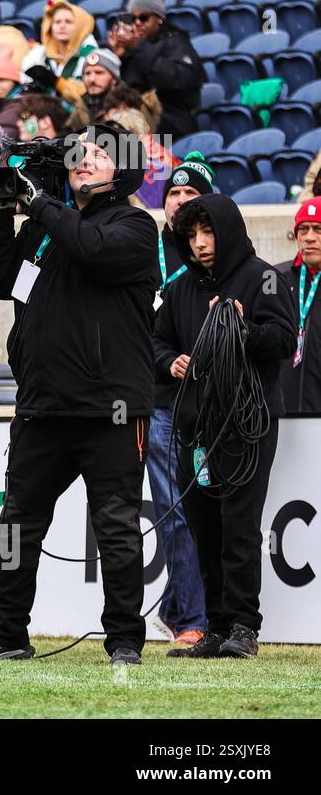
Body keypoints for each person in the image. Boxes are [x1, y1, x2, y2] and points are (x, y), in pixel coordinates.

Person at [0, 123, 157, 666]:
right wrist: (0, 208)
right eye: (78, 153)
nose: (83, 159)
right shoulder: (45, 227)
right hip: (41, 406)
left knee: (116, 529)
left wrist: (42, 201)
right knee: (15, 525)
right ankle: (7, 633)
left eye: (98, 153)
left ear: (121, 169)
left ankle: (124, 640)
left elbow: (91, 248)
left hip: (110, 411)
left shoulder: (135, 226)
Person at [155, 194, 296, 660]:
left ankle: (243, 626)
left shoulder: (265, 278)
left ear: (227, 229)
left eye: (207, 232)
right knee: (202, 525)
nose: (200, 244)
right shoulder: (179, 290)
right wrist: (167, 361)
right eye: (192, 235)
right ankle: (215, 627)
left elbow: (281, 340)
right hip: (196, 426)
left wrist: (243, 330)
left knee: (239, 524)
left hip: (247, 425)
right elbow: (154, 342)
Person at [149, 153, 215, 649]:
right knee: (174, 510)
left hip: (215, 405)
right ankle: (191, 616)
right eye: (173, 194)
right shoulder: (145, 247)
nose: (180, 202)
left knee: (202, 511)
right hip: (162, 401)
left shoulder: (216, 256)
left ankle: (178, 607)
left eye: (191, 195)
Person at [111, 0, 202, 138]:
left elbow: (177, 80)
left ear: (159, 19)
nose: (137, 23)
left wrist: (139, 48)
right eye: (133, 18)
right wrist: (120, 56)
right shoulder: (133, 48)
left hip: (173, 119)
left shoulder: (176, 42)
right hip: (139, 116)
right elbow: (127, 89)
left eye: (144, 18)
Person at [276, 198, 321, 415]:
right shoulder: (275, 279)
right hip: (282, 414)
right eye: (303, 229)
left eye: (318, 229)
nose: (309, 237)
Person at [22, 0, 98, 103]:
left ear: (80, 26)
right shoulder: (38, 56)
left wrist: (56, 82)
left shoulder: (91, 55)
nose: (62, 26)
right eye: (57, 22)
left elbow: (86, 95)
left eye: (68, 22)